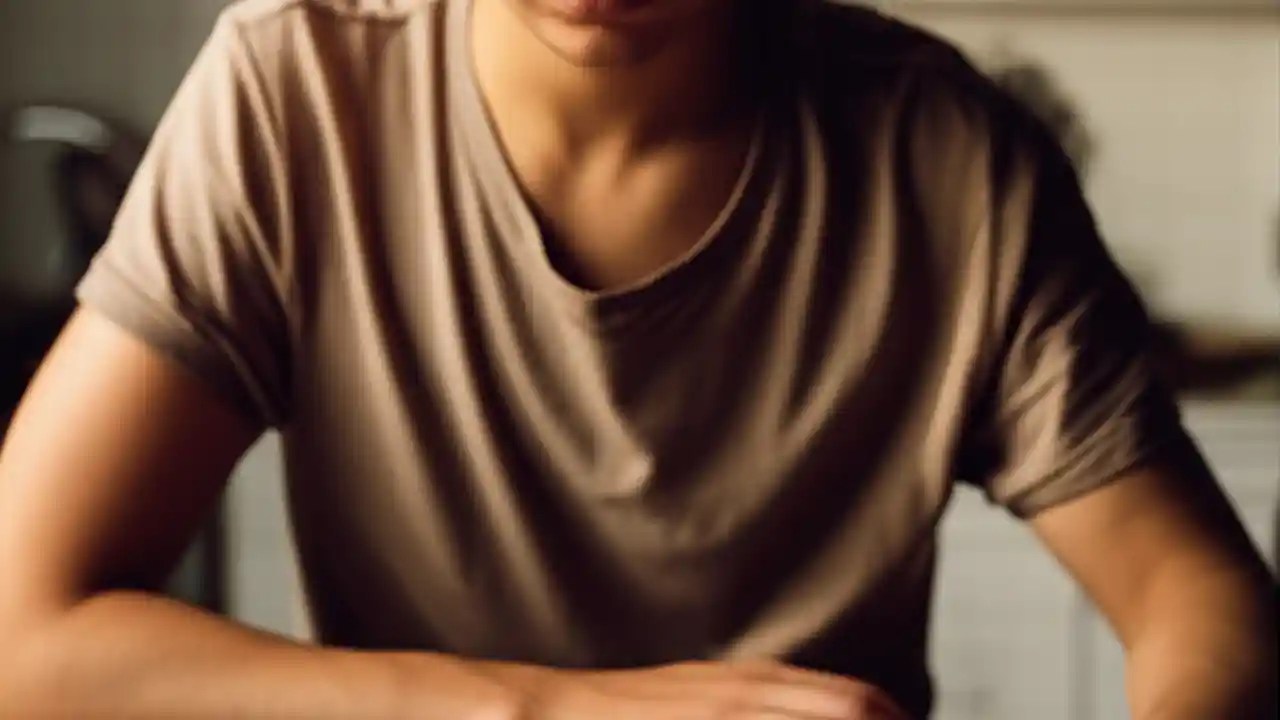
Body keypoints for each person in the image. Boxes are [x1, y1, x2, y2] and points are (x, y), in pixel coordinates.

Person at [0, 0, 1273, 717]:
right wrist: (543, 712)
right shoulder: (294, 98)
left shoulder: (953, 159)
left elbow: (1201, 606)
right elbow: (25, 638)